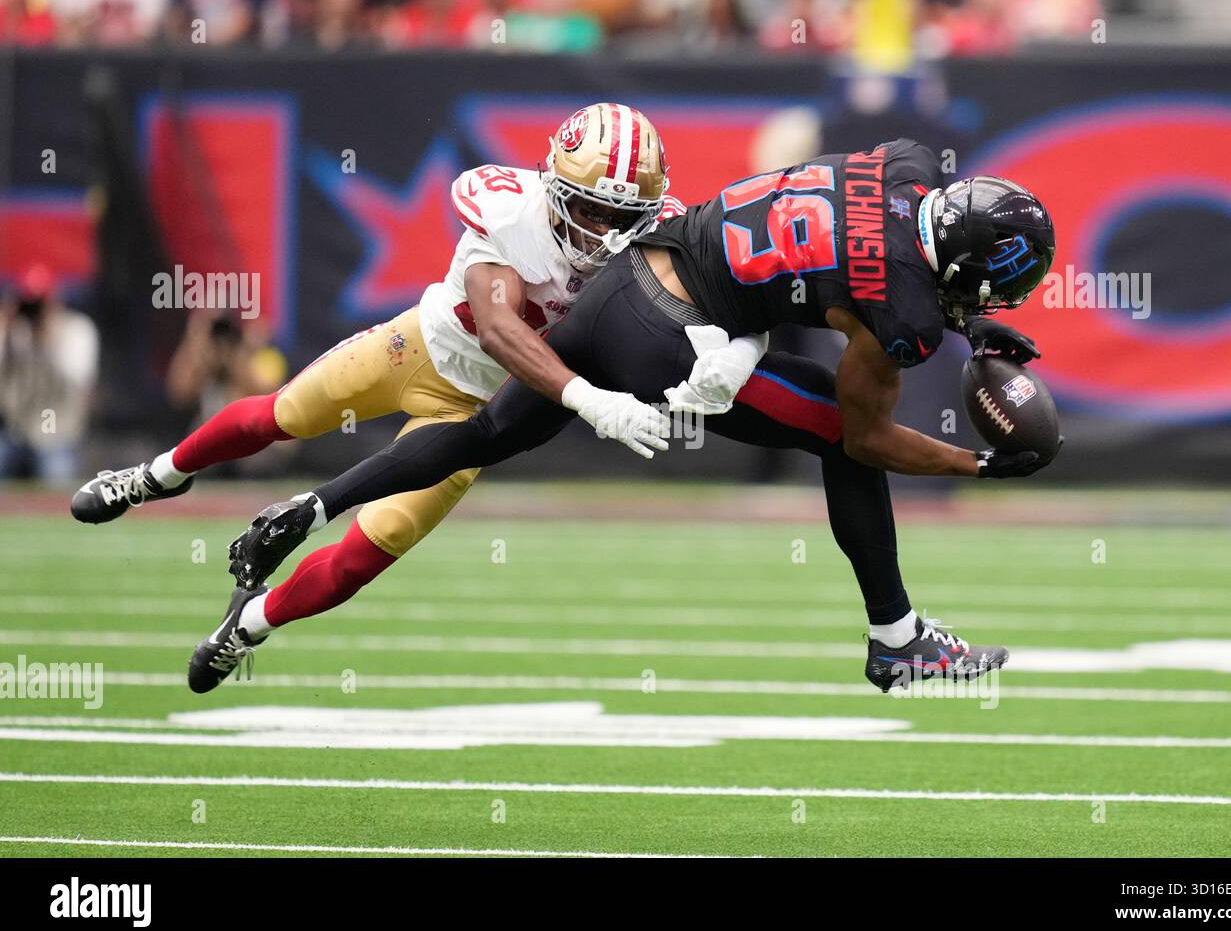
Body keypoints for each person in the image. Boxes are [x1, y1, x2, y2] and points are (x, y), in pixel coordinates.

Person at [220, 140, 1059, 697]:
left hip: (627, 279)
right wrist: (981, 466)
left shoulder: (909, 167)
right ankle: (897, 639)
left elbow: (869, 242)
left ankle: (311, 507)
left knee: (485, 434)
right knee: (840, 440)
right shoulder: (904, 311)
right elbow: (867, 433)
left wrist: (969, 323)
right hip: (674, 341)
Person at [67, 104, 758, 690]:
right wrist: (590, 399)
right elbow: (498, 330)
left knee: (363, 556)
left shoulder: (659, 232)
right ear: (553, 186)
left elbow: (738, 296)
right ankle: (156, 475)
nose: (603, 232)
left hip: (481, 420)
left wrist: (740, 352)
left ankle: (247, 625)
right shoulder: (508, 212)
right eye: (589, 210)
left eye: (620, 216)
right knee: (284, 414)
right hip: (419, 351)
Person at [0, 265, 100, 483]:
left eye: (39, 304)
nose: (33, 311)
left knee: (57, 480)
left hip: (58, 434)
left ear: (55, 302)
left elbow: (78, 382)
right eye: (28, 303)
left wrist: (50, 342)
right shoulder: (14, 333)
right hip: (15, 432)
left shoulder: (76, 330)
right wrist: (6, 330)